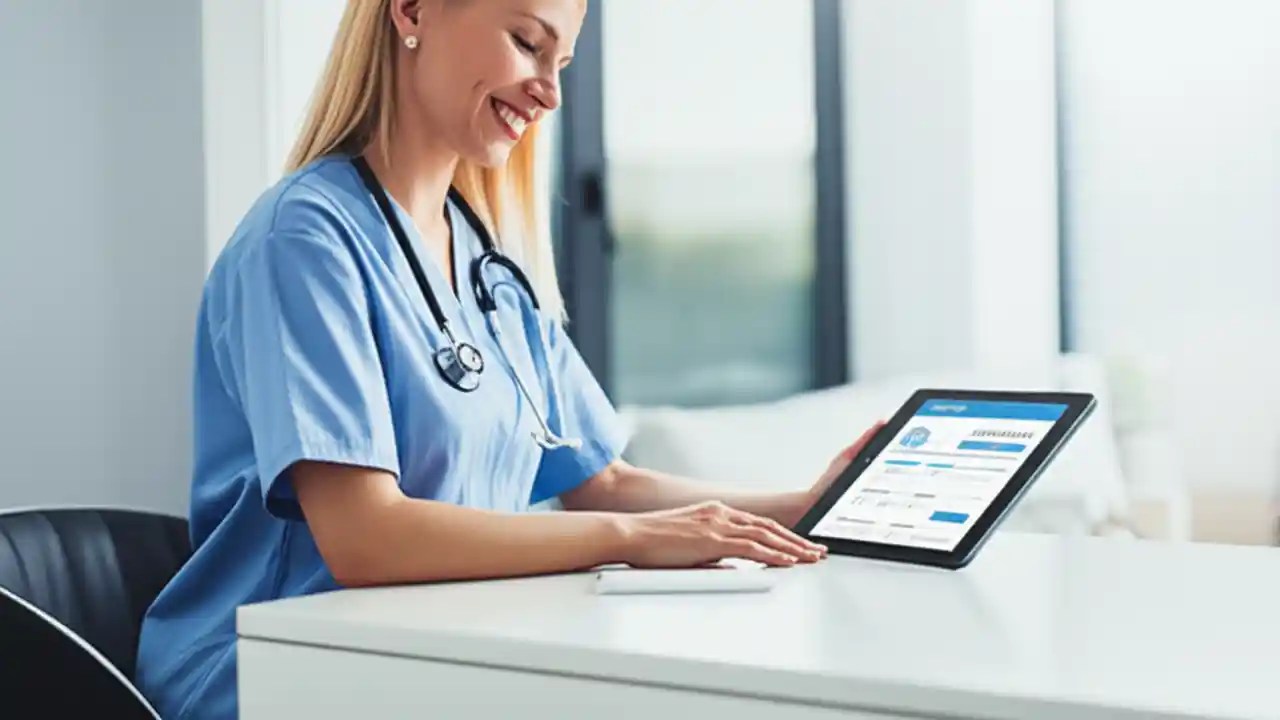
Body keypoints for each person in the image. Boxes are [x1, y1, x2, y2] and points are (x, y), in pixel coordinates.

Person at [134, 1, 882, 717]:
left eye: (560, 61)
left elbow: (604, 482)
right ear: (412, 10)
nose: (550, 93)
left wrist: (809, 507)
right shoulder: (302, 242)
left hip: (432, 660)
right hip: (271, 676)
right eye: (528, 43)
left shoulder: (486, 264)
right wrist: (639, 544)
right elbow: (364, 536)